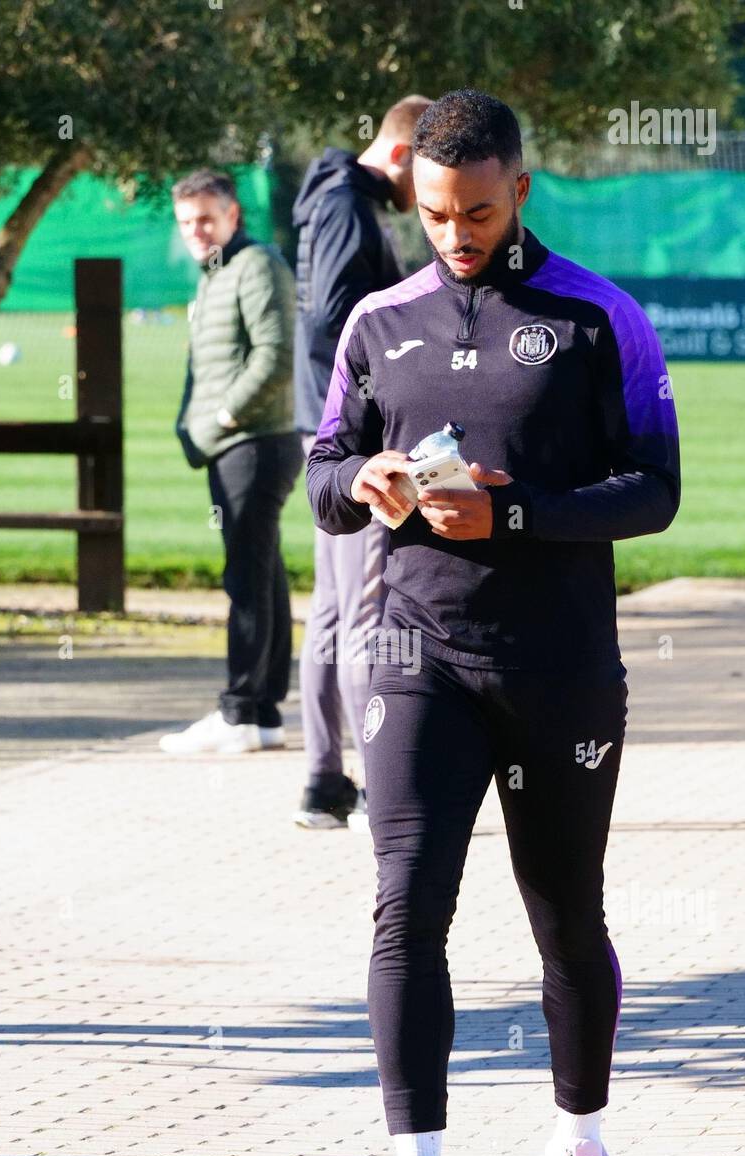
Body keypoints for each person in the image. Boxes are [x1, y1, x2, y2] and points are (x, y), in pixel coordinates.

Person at [306, 89, 680, 1156]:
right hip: (412, 655)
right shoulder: (378, 320)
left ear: (520, 187)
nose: (455, 232)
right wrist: (363, 475)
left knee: (564, 916)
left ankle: (580, 1153)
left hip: (559, 667)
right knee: (406, 905)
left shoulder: (597, 318)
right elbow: (319, 470)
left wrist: (513, 510)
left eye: (475, 209)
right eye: (433, 211)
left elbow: (655, 492)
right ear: (412, 190)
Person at [292, 96, 432, 830]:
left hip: (322, 427)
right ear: (404, 153)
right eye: (429, 166)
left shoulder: (334, 197)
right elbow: (339, 318)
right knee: (366, 612)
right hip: (350, 437)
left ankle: (324, 782)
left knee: (332, 609)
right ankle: (381, 782)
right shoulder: (351, 205)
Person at [160, 169, 301, 755]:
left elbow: (276, 356)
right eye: (187, 221)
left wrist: (221, 419)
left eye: (206, 219)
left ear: (232, 215)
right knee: (260, 572)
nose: (197, 230)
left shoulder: (255, 265)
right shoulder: (213, 276)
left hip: (256, 444)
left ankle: (241, 710)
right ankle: (263, 713)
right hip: (233, 446)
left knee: (246, 577)